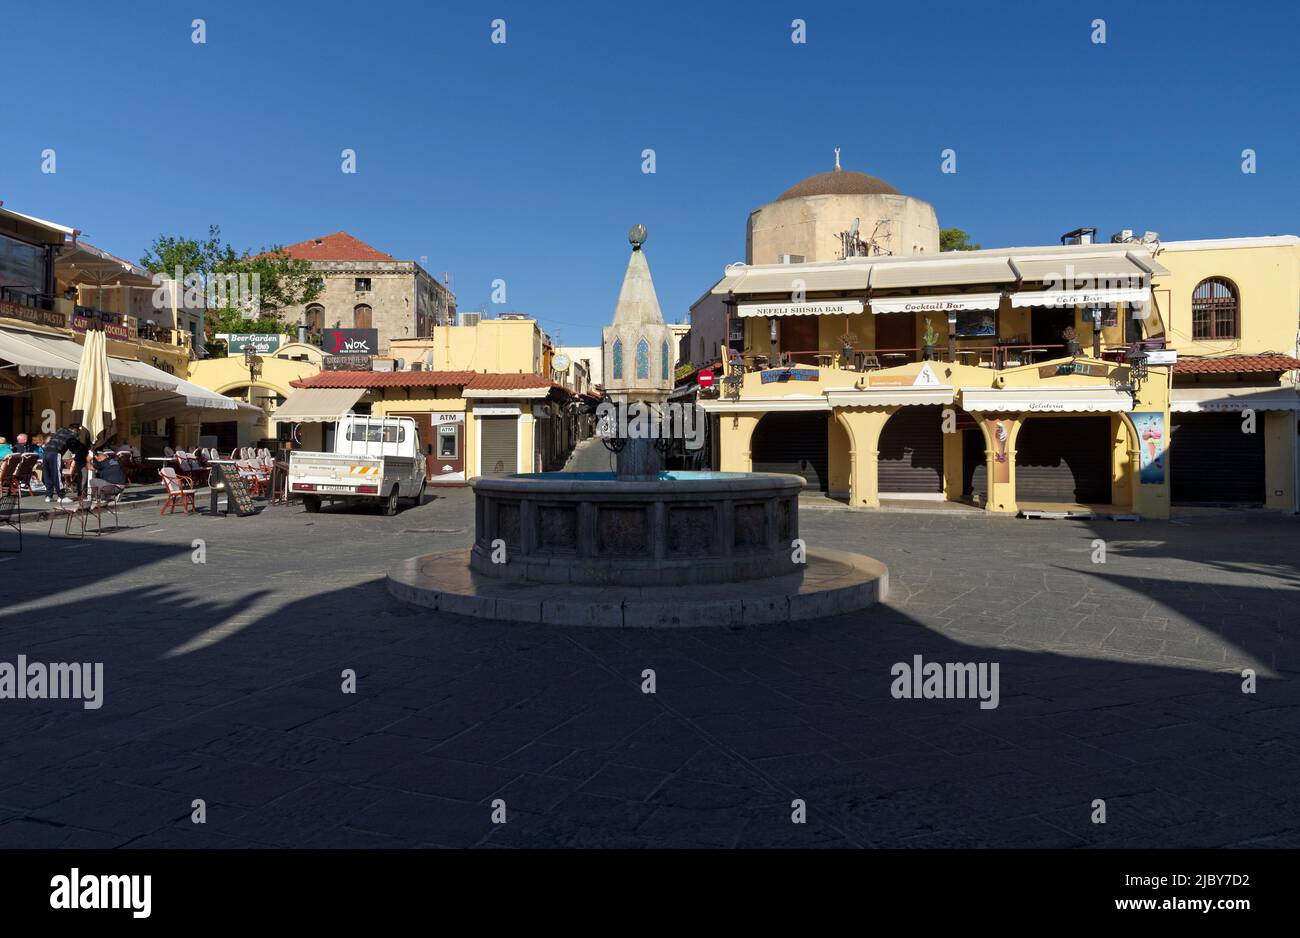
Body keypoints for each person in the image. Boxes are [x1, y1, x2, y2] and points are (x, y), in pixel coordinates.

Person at [41, 422, 87, 504]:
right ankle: (61, 496)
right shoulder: (73, 435)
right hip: (55, 453)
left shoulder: (60, 430)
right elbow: (74, 447)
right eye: (77, 431)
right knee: (56, 474)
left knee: (47, 475)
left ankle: (48, 496)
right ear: (75, 429)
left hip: (45, 453)